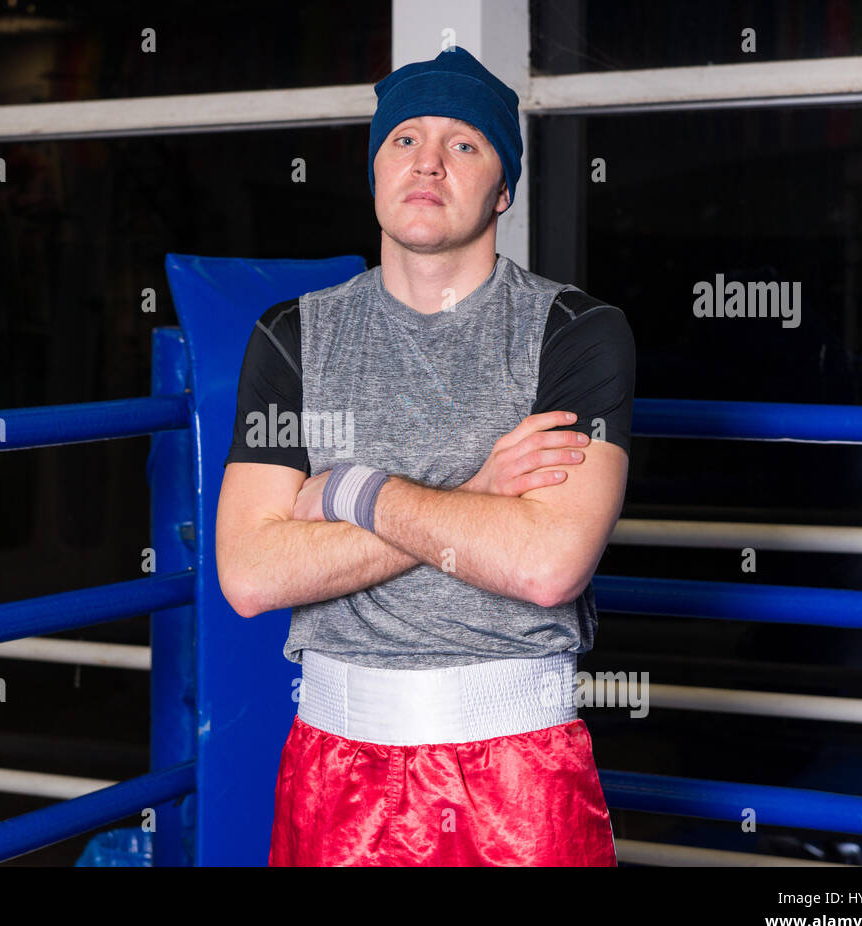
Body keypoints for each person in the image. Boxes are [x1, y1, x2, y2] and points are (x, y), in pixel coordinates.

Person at [215, 45, 635, 866]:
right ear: (375, 172)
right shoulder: (293, 336)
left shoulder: (575, 333)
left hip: (516, 773)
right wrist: (477, 490)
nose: (429, 163)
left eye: (465, 144)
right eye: (405, 139)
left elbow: (549, 564)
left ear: (504, 187)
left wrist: (351, 488)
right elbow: (251, 573)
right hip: (334, 765)